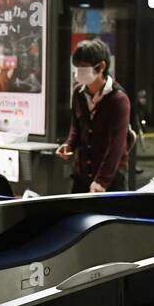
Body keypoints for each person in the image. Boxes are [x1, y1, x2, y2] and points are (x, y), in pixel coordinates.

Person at [56, 39, 131, 192]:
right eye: (77, 66)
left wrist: (102, 181)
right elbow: (76, 126)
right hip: (82, 176)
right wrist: (69, 144)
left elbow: (117, 144)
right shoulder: (78, 93)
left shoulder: (118, 99)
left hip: (110, 180)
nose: (78, 71)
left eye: (84, 66)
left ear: (101, 66)